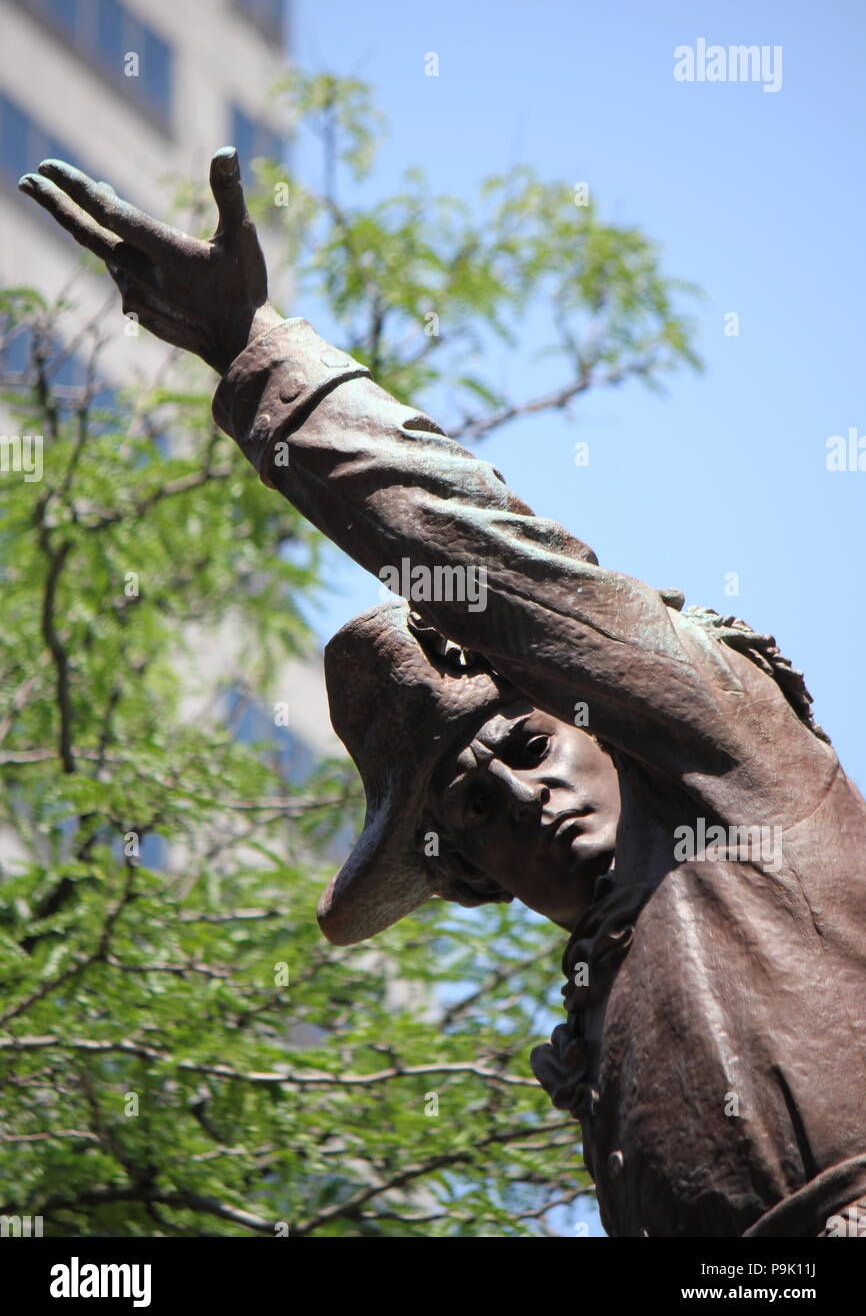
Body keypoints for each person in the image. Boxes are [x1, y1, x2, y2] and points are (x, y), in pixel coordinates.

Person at [18, 151, 866, 1238]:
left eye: (523, 746)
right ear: (469, 876)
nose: (521, 802)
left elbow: (494, 561)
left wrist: (251, 350)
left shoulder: (734, 770)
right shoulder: (595, 1027)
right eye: (469, 812)